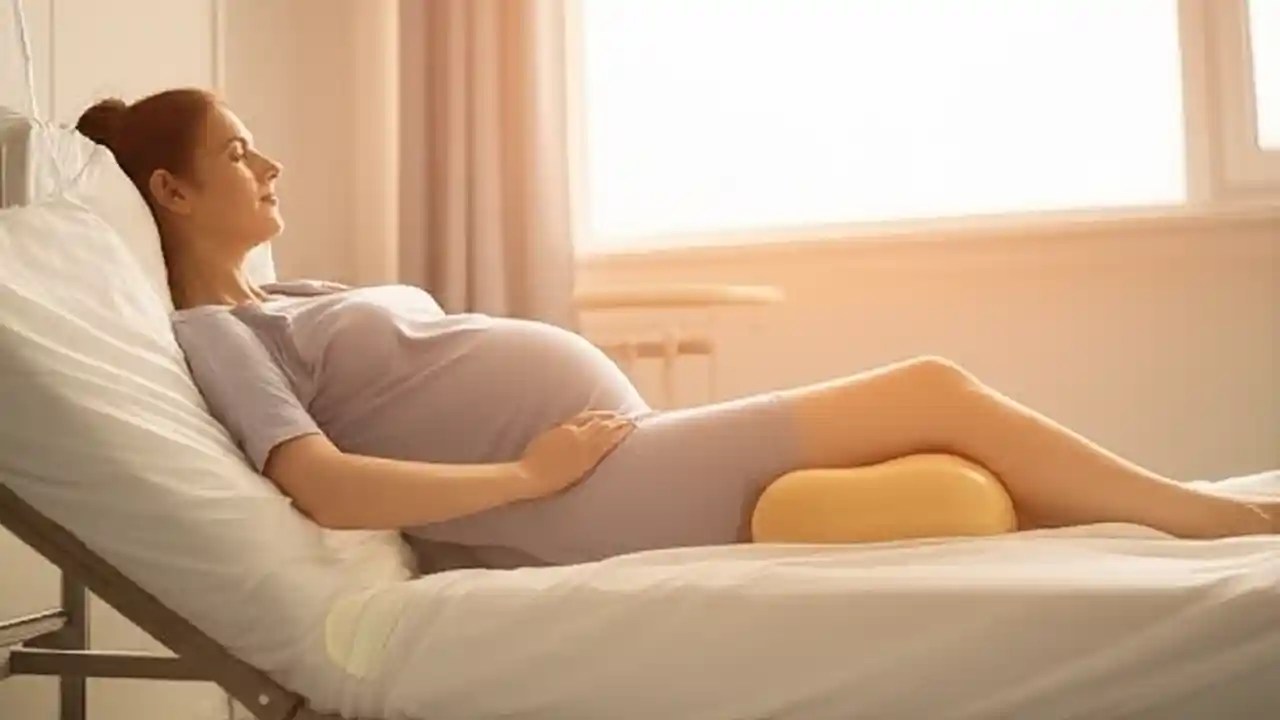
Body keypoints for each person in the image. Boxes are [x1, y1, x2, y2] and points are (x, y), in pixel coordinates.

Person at [75, 88, 1279, 571]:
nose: (268, 163)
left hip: (603, 465)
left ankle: (1168, 517)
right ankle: (1214, 519)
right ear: (171, 194)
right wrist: (525, 471)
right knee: (929, 385)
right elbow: (325, 490)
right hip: (572, 495)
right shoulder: (216, 337)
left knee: (939, 464)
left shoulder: (284, 299)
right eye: (236, 153)